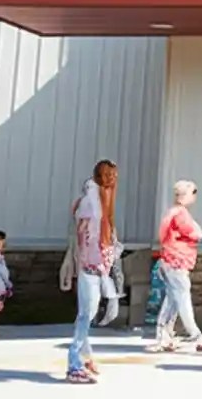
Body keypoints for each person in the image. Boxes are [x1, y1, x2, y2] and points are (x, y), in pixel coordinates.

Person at [66, 161, 119, 384]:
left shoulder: (104, 200)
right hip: (90, 267)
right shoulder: (90, 203)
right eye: (107, 175)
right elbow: (84, 235)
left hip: (99, 267)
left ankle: (85, 357)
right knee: (86, 315)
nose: (111, 179)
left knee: (89, 314)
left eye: (114, 175)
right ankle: (74, 364)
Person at [153, 179, 202, 353]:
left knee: (172, 300)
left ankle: (164, 337)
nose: (195, 197)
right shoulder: (181, 214)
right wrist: (197, 232)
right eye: (194, 193)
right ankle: (196, 335)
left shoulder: (172, 212)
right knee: (183, 298)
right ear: (186, 195)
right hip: (177, 261)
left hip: (169, 259)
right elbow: (196, 233)